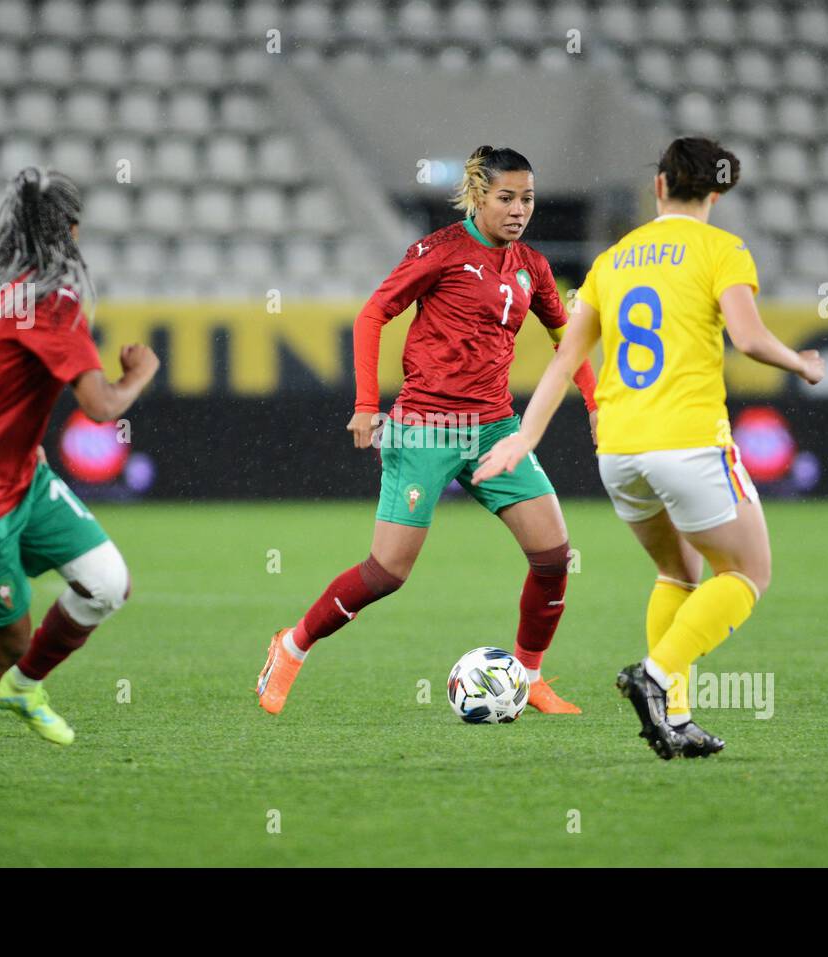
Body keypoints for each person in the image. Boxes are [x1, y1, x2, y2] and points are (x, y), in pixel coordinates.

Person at [474, 137, 825, 759]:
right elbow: (746, 337)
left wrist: (525, 436)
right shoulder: (723, 250)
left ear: (658, 188)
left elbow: (565, 359)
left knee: (675, 571)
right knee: (745, 573)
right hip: (688, 441)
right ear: (714, 194)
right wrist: (801, 363)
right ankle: (656, 675)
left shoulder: (613, 260)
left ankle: (677, 718)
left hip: (619, 449)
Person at [256, 146, 599, 716]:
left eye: (528, 199)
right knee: (387, 572)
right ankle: (291, 647)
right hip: (424, 428)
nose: (519, 210)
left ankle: (528, 677)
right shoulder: (439, 251)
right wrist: (368, 404)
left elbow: (568, 337)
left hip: (495, 429)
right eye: (506, 198)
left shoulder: (532, 267)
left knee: (553, 556)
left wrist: (595, 400)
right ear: (478, 196)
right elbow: (372, 315)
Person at [0, 167, 160, 777]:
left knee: (107, 583)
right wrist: (141, 372)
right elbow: (101, 406)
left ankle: (21, 688)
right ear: (71, 232)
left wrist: (4, 435)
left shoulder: (0, 294)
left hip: (22, 478)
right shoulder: (52, 307)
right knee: (8, 639)